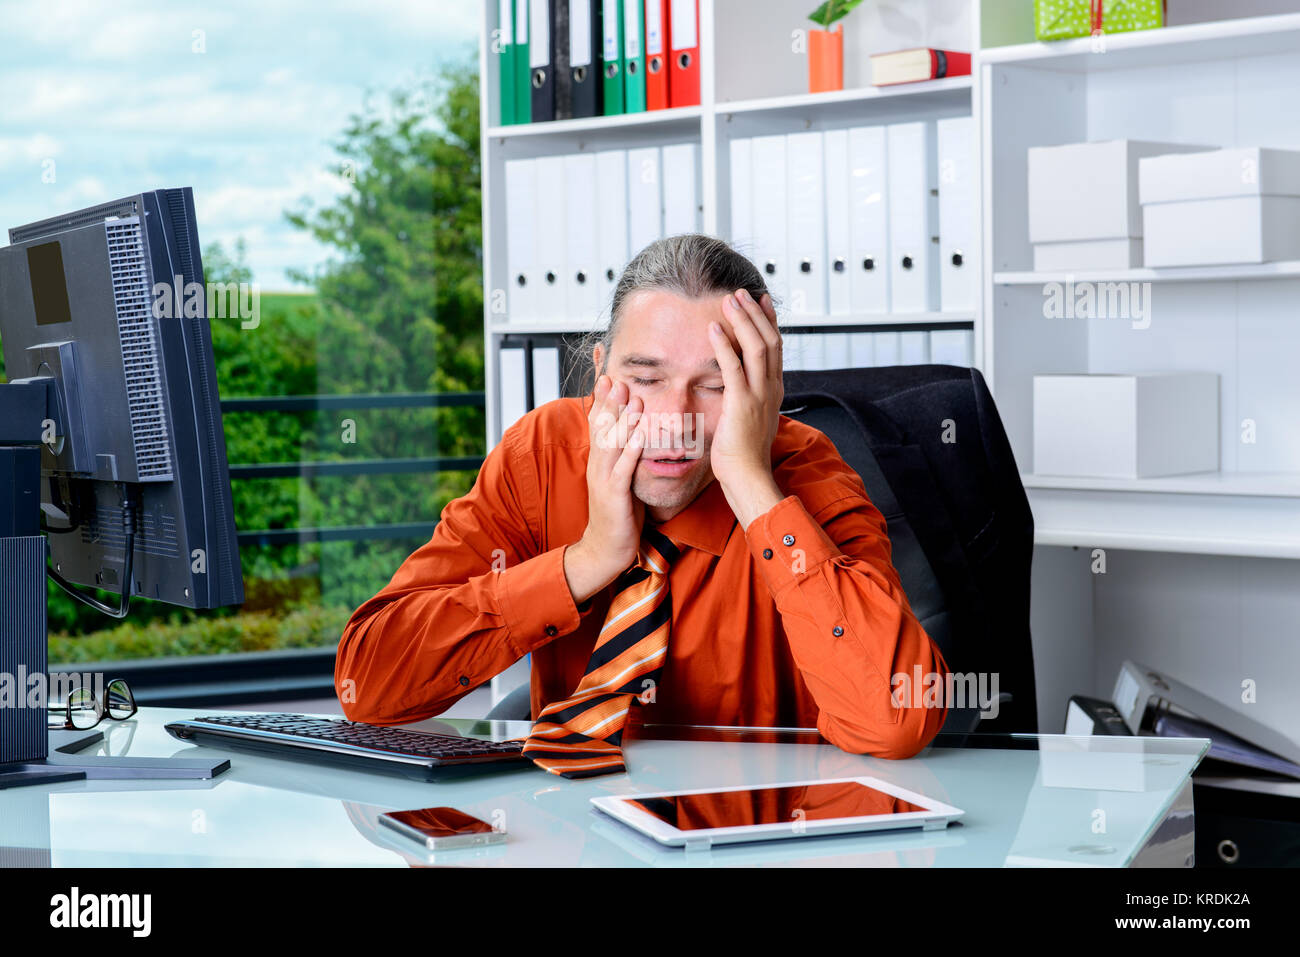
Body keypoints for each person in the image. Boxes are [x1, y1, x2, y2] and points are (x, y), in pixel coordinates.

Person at [335, 234, 949, 775]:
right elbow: (369, 684)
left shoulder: (808, 479)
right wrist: (585, 561)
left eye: (716, 386)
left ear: (762, 390)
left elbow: (895, 720)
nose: (673, 421)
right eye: (646, 379)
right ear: (600, 373)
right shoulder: (542, 455)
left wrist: (750, 482)